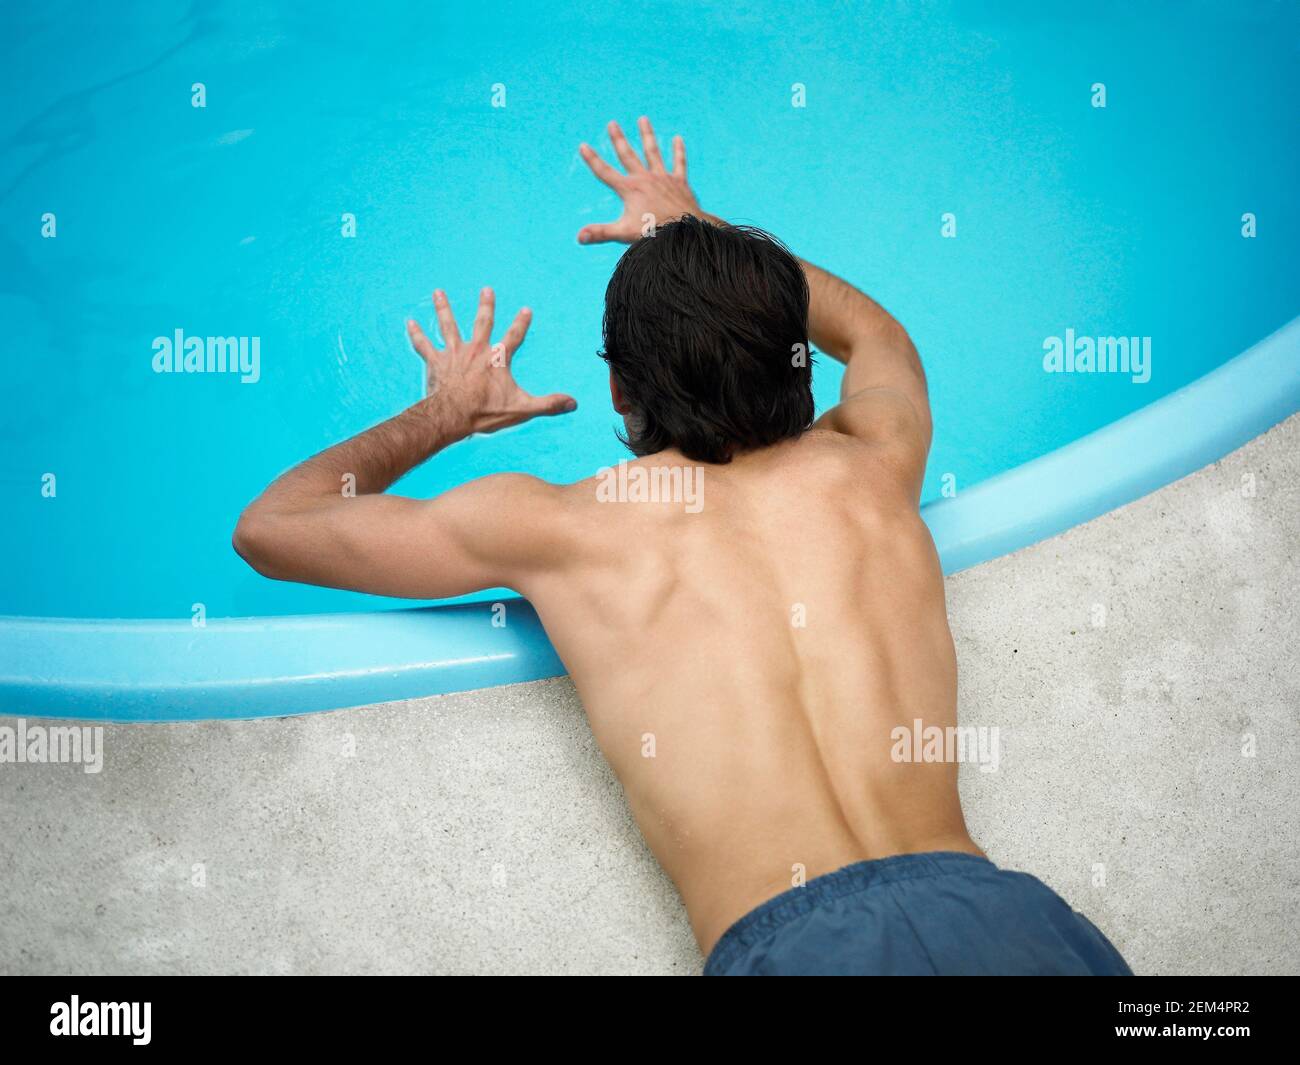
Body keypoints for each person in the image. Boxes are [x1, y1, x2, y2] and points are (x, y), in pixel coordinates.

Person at [233, 117, 1131, 976]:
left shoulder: (558, 530)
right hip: (1002, 920)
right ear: (797, 359)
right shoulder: (874, 460)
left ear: (621, 390)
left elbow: (273, 528)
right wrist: (698, 233)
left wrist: (448, 412)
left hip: (798, 949)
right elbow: (878, 332)